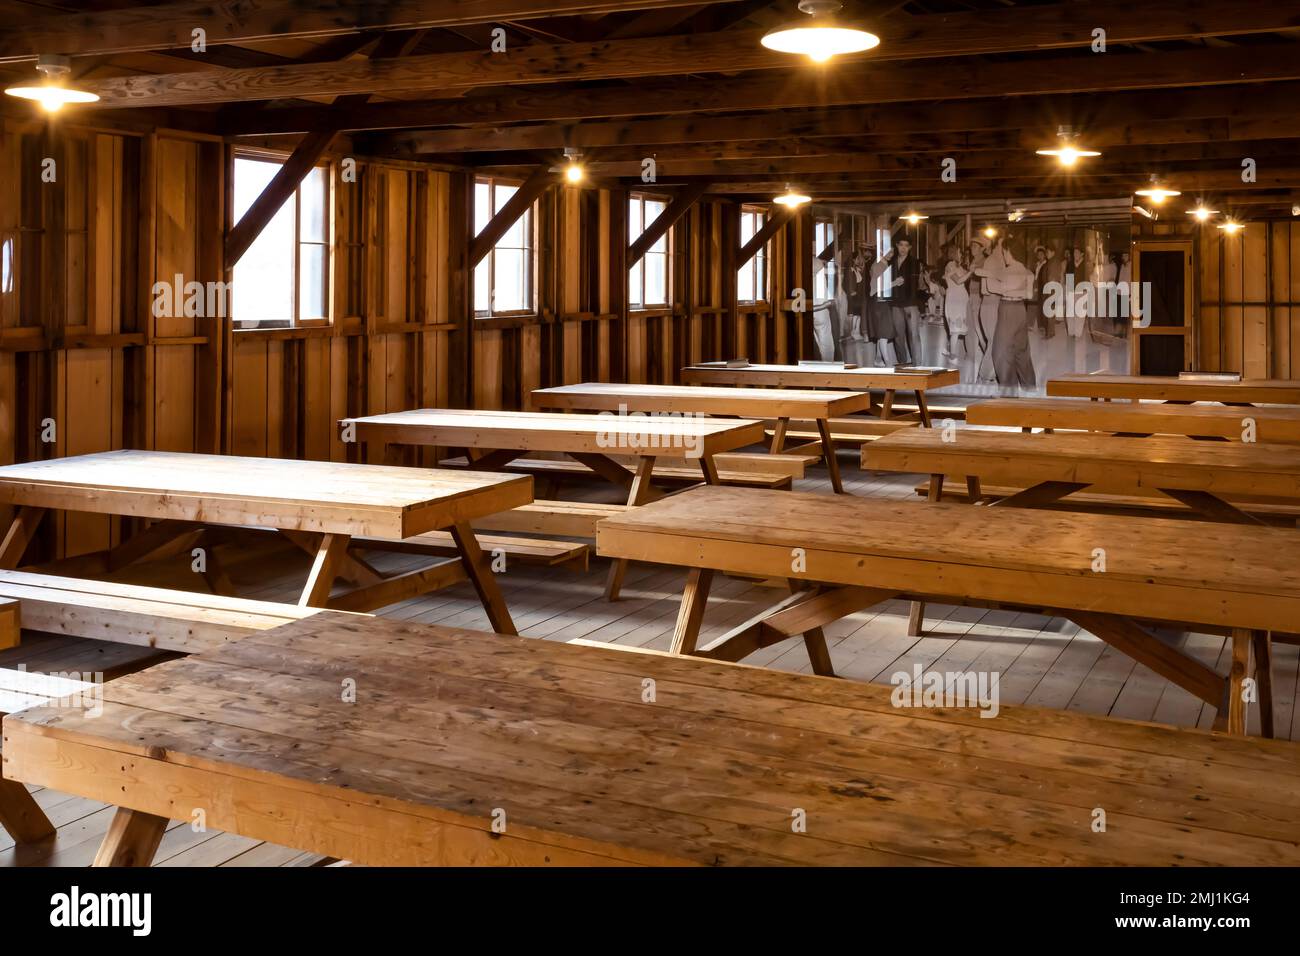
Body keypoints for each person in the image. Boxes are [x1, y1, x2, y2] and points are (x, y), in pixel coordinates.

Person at [980, 234, 1037, 391]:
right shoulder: (1025, 270)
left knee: (1000, 353)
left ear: (1008, 251)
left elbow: (992, 288)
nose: (1003, 255)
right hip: (1020, 310)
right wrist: (1017, 292)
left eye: (1004, 252)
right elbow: (1030, 295)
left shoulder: (1009, 270)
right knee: (1021, 350)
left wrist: (985, 274)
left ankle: (1009, 392)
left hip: (1008, 310)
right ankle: (1030, 388)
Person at [889, 238, 920, 364]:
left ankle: (917, 364)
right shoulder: (891, 262)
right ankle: (902, 363)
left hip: (910, 303)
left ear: (910, 247)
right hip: (895, 303)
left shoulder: (914, 262)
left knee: (913, 335)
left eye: (906, 246)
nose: (903, 248)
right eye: (901, 245)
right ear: (897, 245)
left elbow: (914, 285)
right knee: (898, 336)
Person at [942, 244, 972, 360]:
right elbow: (959, 281)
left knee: (959, 328)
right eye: (959, 252)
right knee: (955, 330)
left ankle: (949, 350)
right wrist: (970, 271)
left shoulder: (959, 267)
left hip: (961, 298)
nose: (961, 255)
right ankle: (952, 355)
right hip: (954, 299)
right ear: (954, 253)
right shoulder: (950, 265)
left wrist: (969, 270)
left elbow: (965, 277)